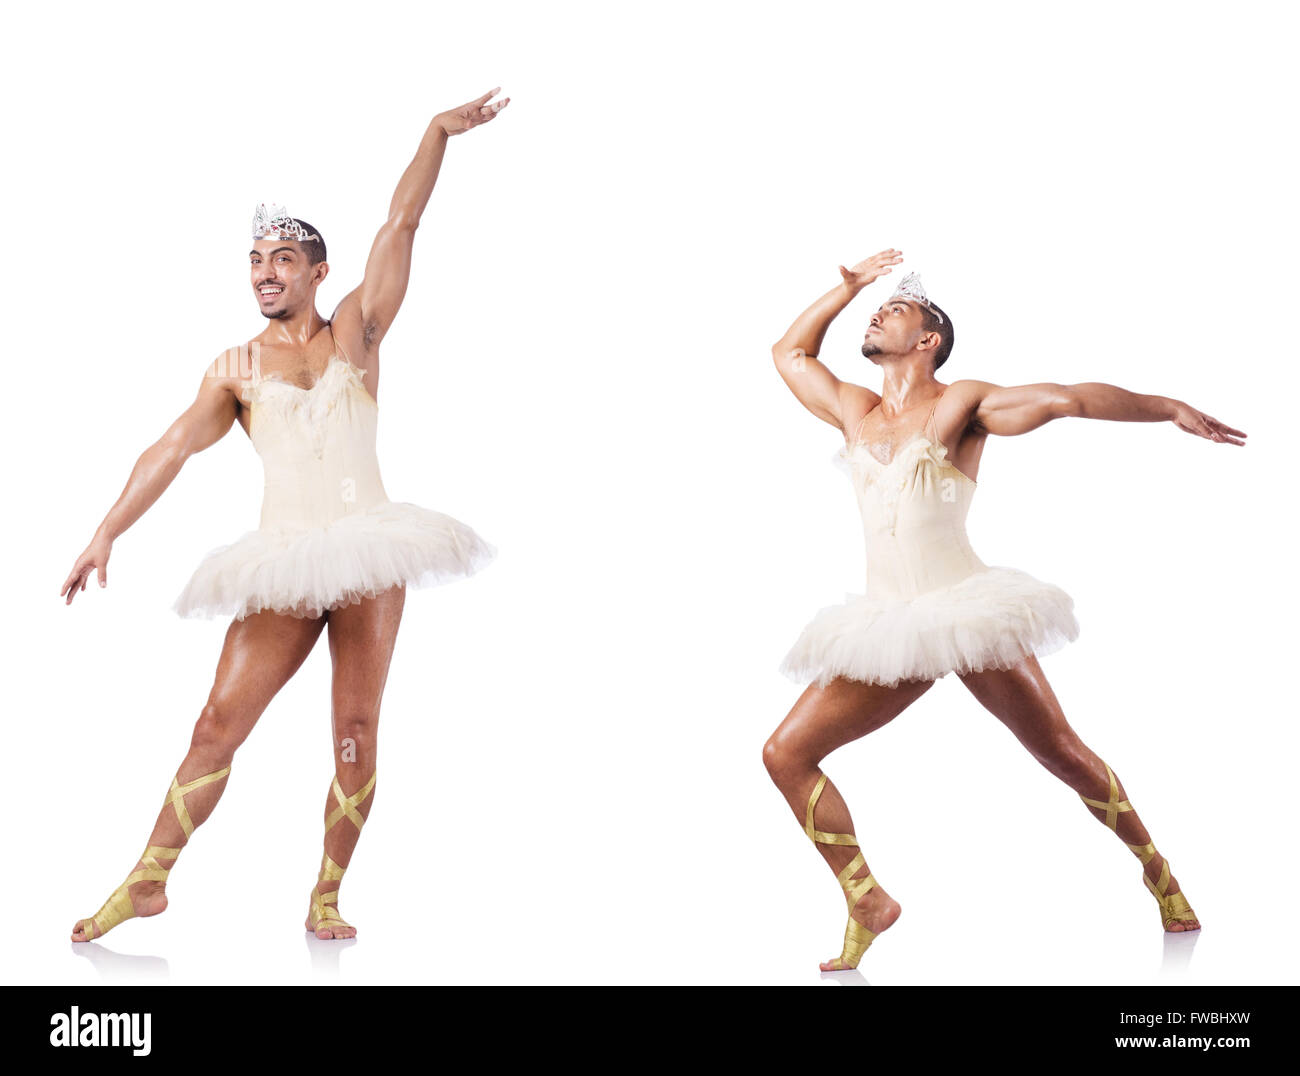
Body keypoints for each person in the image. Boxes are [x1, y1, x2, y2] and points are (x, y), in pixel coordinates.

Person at [62, 88, 509, 943]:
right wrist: (107, 529)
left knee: (355, 724)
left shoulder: (357, 336)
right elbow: (170, 449)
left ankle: (328, 893)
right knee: (216, 722)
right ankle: (149, 877)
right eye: (255, 260)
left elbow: (400, 226)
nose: (265, 272)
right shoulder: (233, 368)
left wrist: (436, 134)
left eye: (281, 259)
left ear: (317, 272)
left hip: (372, 550)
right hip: (284, 558)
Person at [764, 249, 1245, 971]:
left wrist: (1165, 408)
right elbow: (790, 351)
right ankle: (866, 899)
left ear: (928, 341)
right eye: (876, 308)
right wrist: (848, 289)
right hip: (889, 626)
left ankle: (1162, 878)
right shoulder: (853, 411)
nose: (877, 314)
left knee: (1062, 754)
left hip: (963, 610)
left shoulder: (965, 403)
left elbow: (1067, 397)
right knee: (784, 754)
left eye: (893, 309)